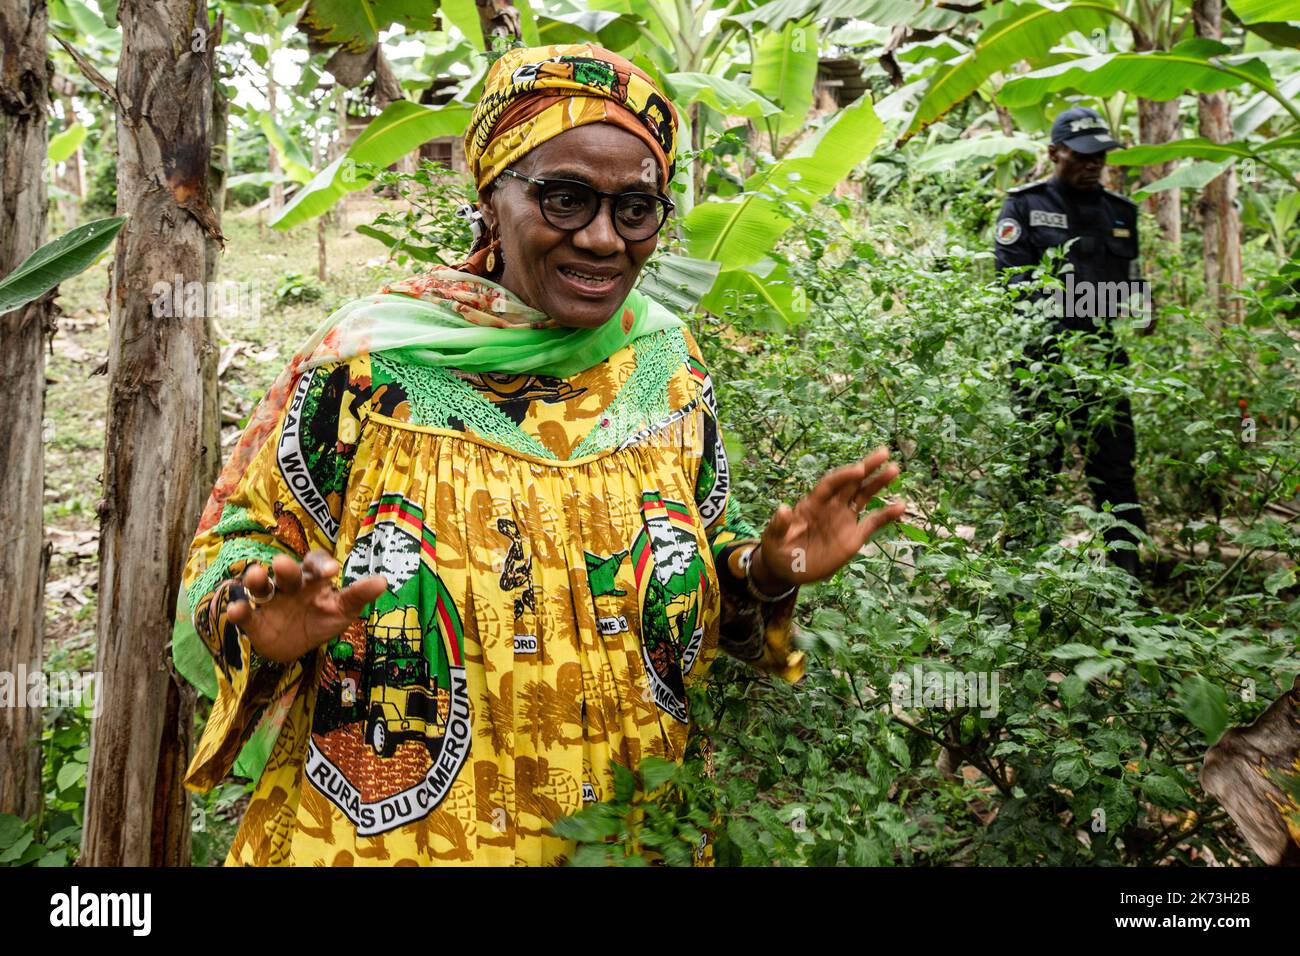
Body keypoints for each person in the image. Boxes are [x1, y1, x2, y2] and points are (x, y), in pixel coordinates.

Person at [178, 42, 906, 866]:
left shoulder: (666, 371)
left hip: (630, 835)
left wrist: (770, 570)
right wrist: (265, 621)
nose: (602, 238)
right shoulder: (367, 370)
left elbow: (707, 581)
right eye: (564, 199)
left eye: (635, 208)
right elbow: (229, 551)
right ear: (492, 199)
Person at [993, 106, 1149, 576]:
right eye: (1082, 155)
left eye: (1100, 156)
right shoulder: (1023, 206)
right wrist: (1079, 314)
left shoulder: (1120, 213)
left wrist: (1142, 303)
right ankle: (1021, 583)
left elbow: (1128, 280)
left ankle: (1127, 580)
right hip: (1041, 364)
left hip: (1103, 364)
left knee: (1116, 471)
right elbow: (1013, 285)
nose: (1093, 164)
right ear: (1054, 153)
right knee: (1036, 471)